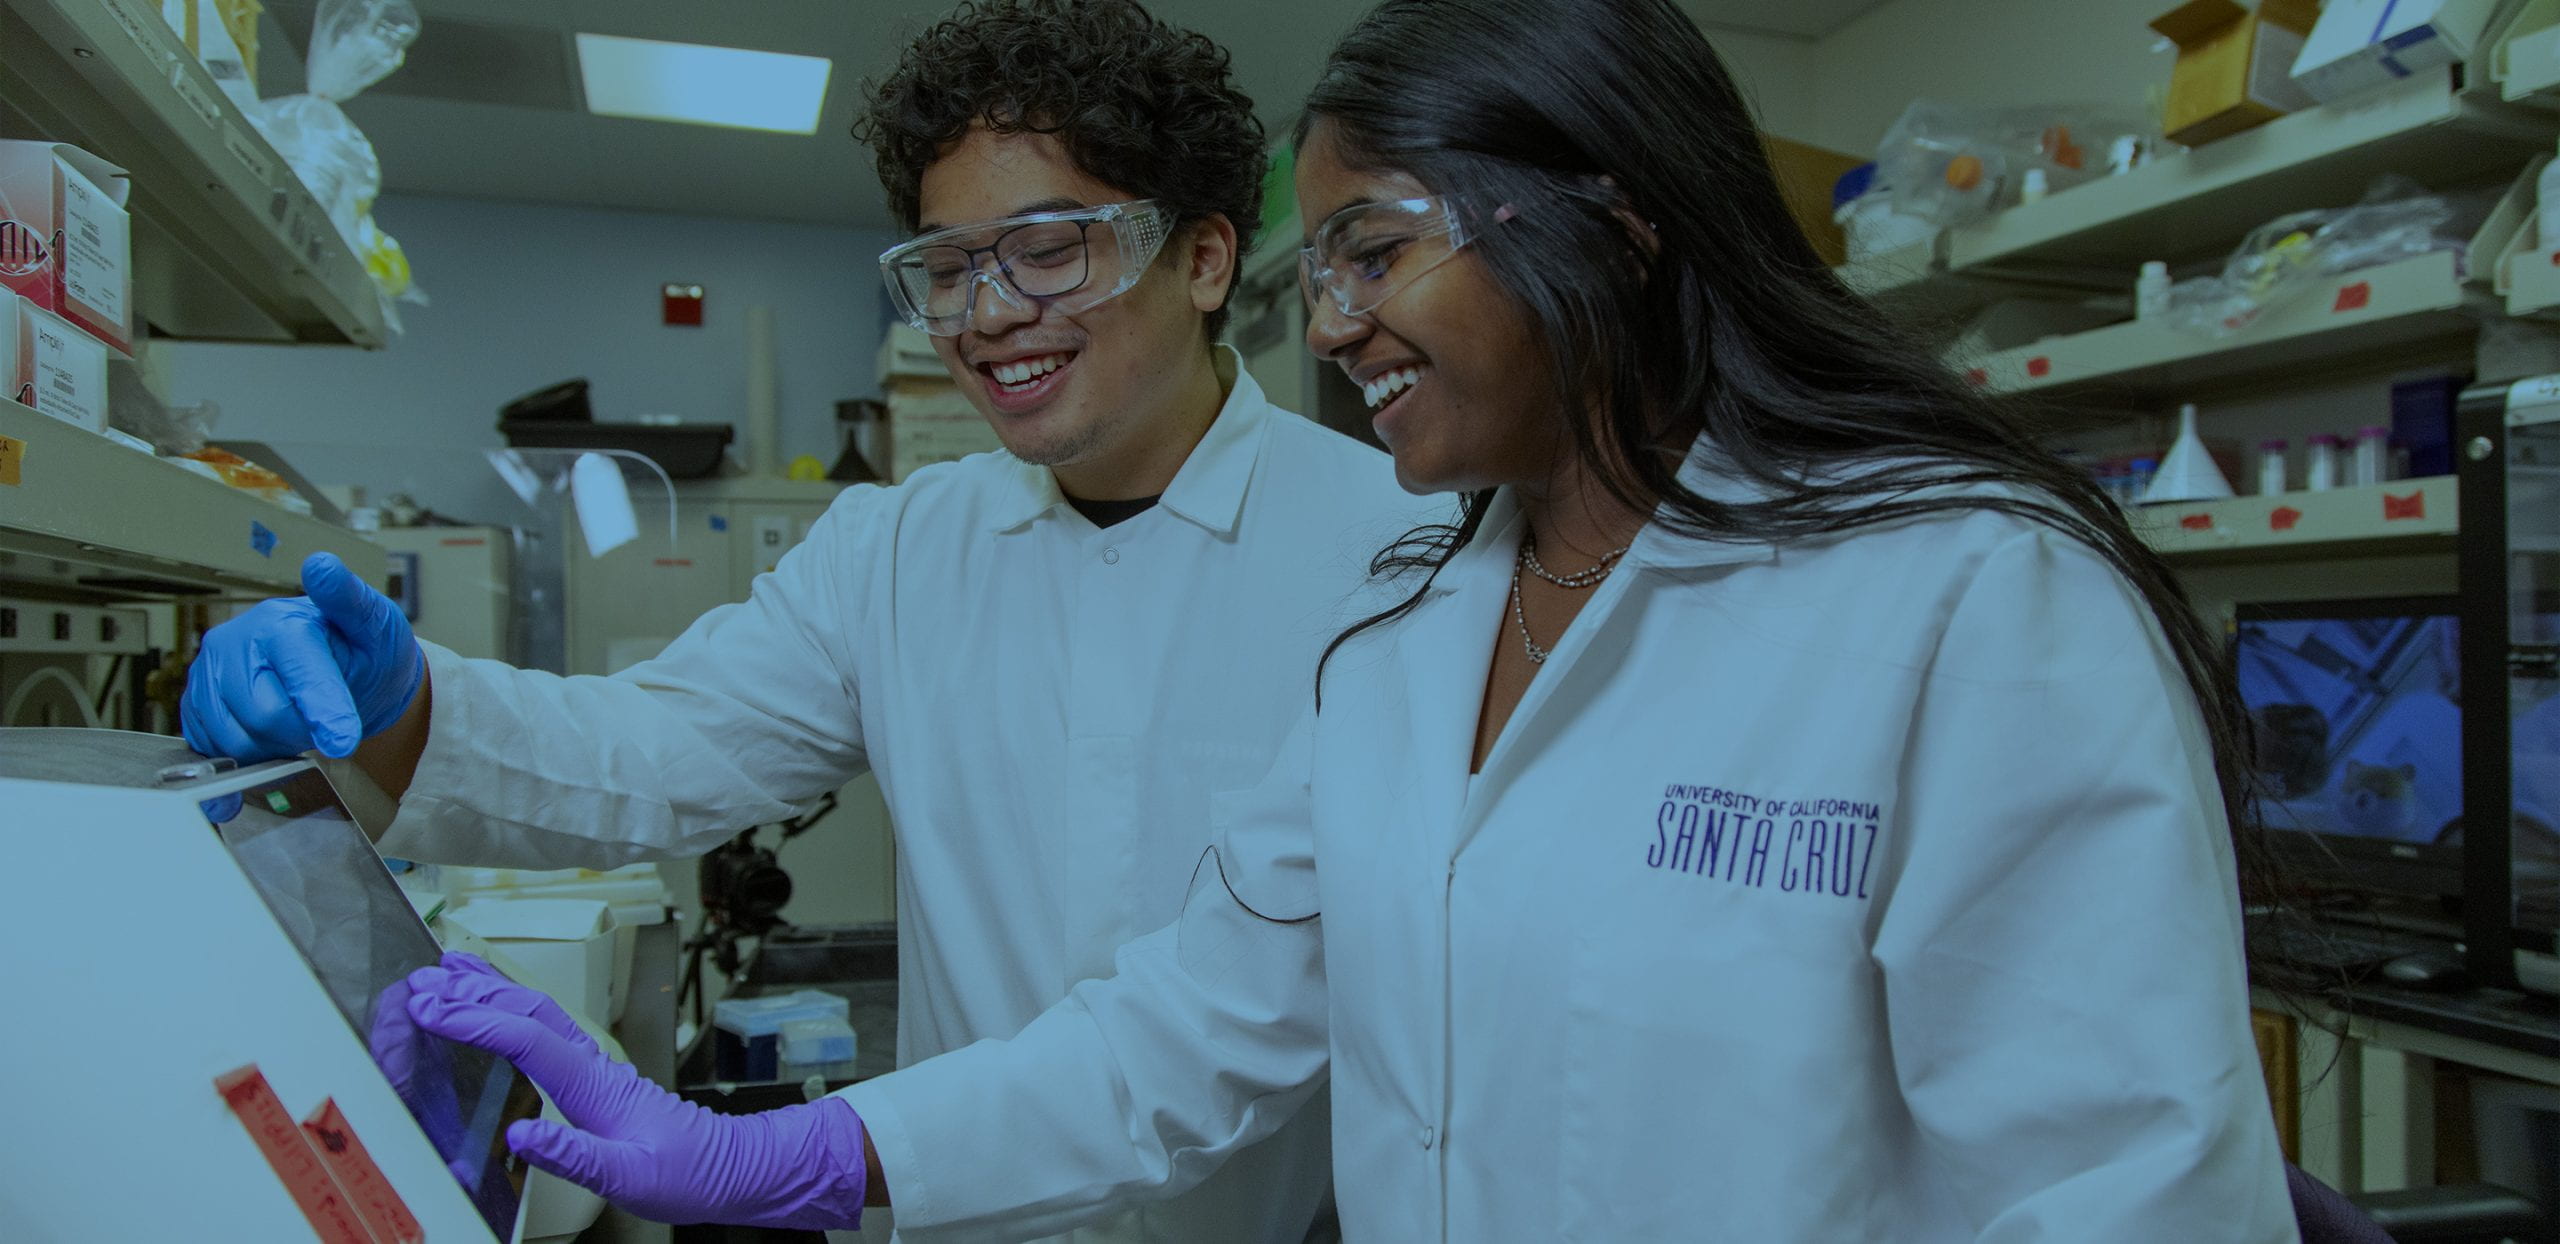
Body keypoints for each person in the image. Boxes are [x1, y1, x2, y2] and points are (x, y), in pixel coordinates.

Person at [399, 0, 2299, 1237]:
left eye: (1377, 252)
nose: (1331, 324)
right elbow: (1188, 1025)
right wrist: (809, 1151)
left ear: (1616, 222)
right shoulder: (1410, 624)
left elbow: (2123, 1192)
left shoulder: (1969, 602)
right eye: (1330, 269)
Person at [183, 1, 1442, 1238]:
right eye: (946, 267)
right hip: (953, 1213)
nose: (990, 312)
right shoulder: (895, 550)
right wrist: (410, 707)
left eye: (1047, 247)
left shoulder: (1398, 549)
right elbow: (654, 750)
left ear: (1207, 258)